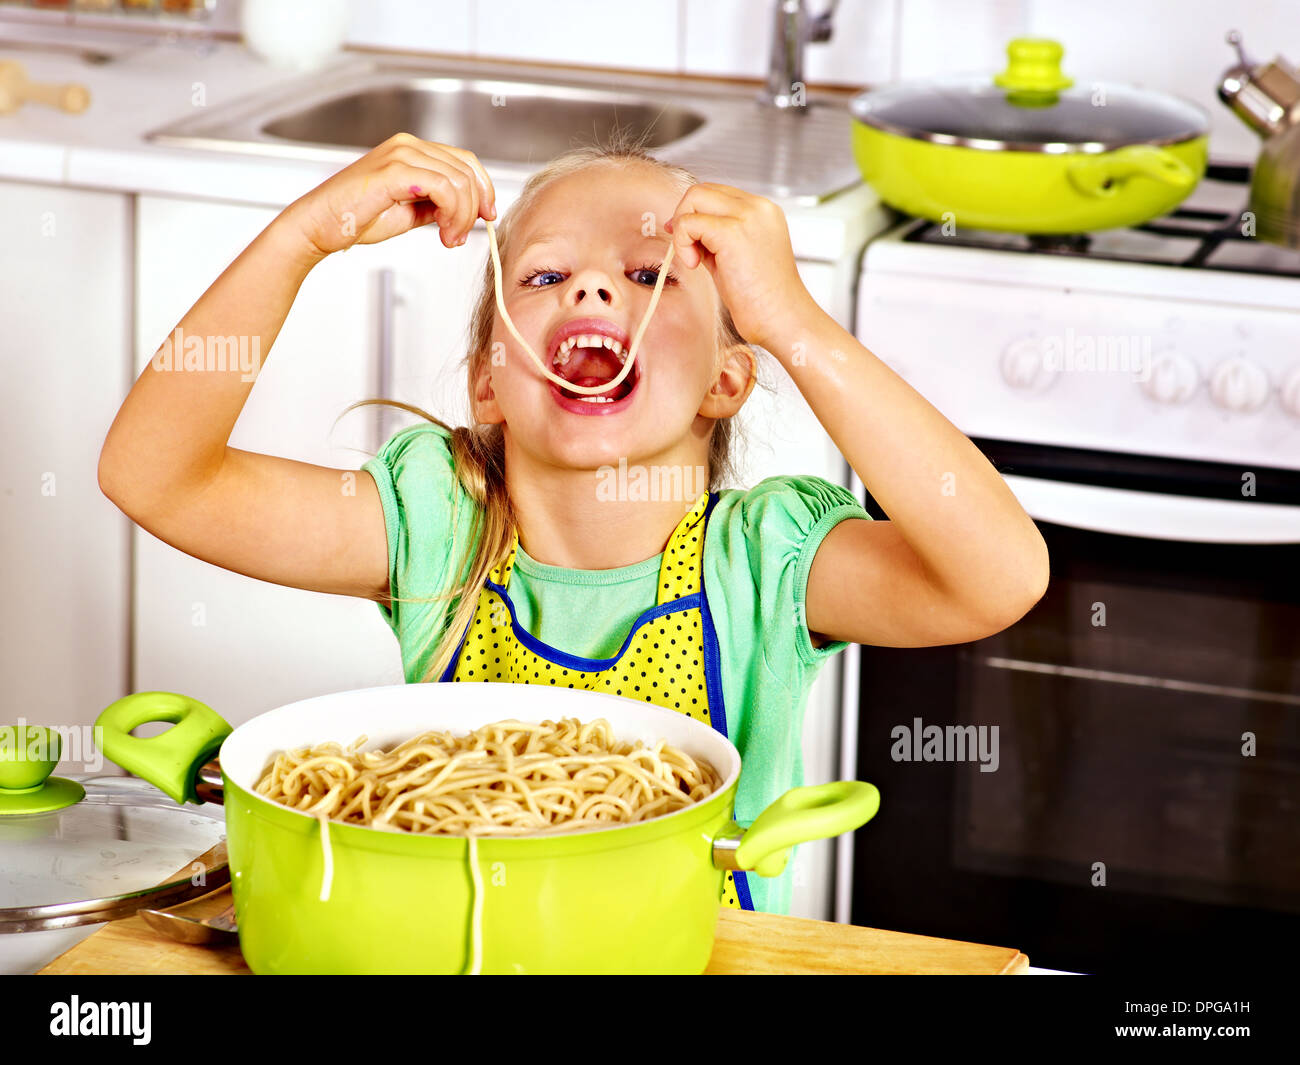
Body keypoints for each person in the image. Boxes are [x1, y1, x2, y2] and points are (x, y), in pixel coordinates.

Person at [98, 131, 1049, 916]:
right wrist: (305, 234)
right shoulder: (438, 523)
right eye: (546, 275)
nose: (594, 291)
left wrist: (794, 320)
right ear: (488, 384)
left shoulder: (762, 561)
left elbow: (999, 577)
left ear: (727, 377)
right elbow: (157, 479)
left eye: (650, 273)